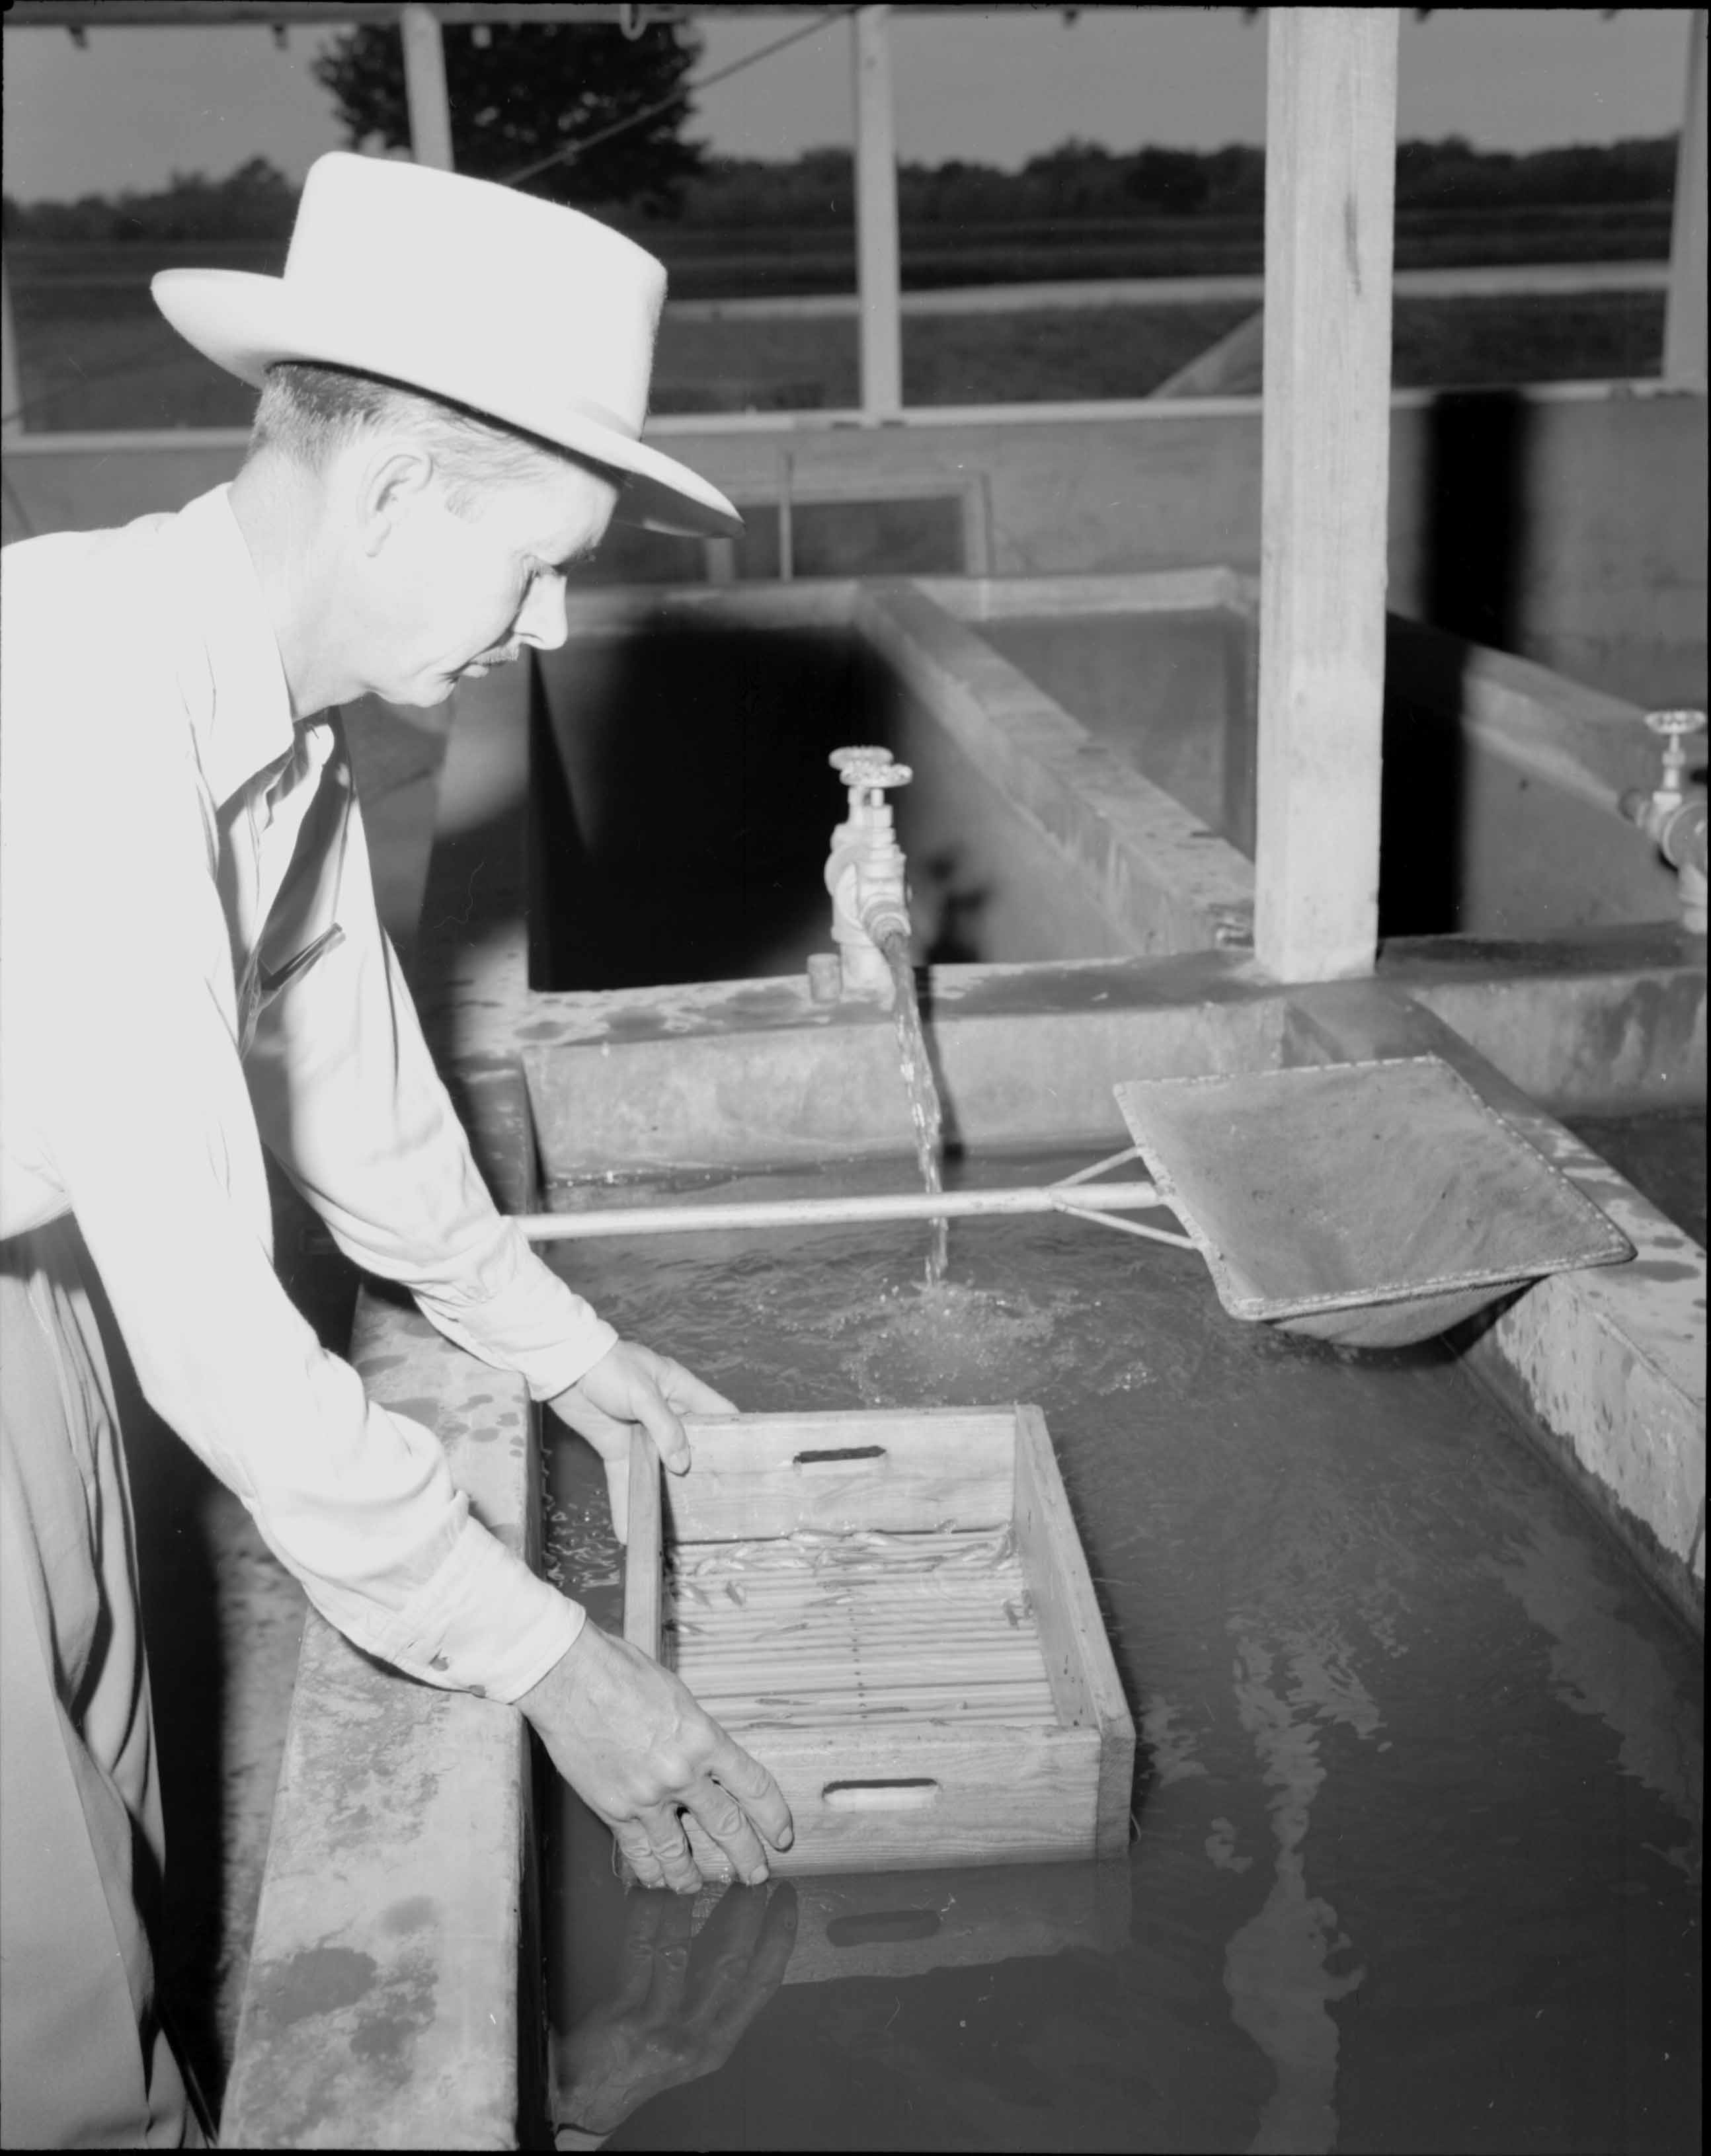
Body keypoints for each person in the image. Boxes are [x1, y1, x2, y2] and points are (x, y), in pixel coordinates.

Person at [0, 151, 792, 2149]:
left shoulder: (270, 716)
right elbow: (202, 1295)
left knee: (116, 1821)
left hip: (34, 1301)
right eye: (535, 566)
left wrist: (556, 1350)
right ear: (385, 495)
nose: (541, 632)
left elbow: (357, 1086)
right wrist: (550, 1658)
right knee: (48, 2006)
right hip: (84, 1286)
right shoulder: (84, 721)